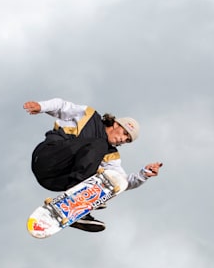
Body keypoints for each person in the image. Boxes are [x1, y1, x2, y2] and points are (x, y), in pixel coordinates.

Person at [24, 98, 163, 232]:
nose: (123, 139)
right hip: (47, 157)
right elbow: (61, 106)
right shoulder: (89, 116)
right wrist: (41, 106)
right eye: (124, 133)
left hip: (52, 180)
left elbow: (121, 181)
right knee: (100, 144)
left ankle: (78, 211)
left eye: (127, 140)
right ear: (116, 124)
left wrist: (143, 174)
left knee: (109, 181)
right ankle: (78, 198)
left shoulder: (111, 155)